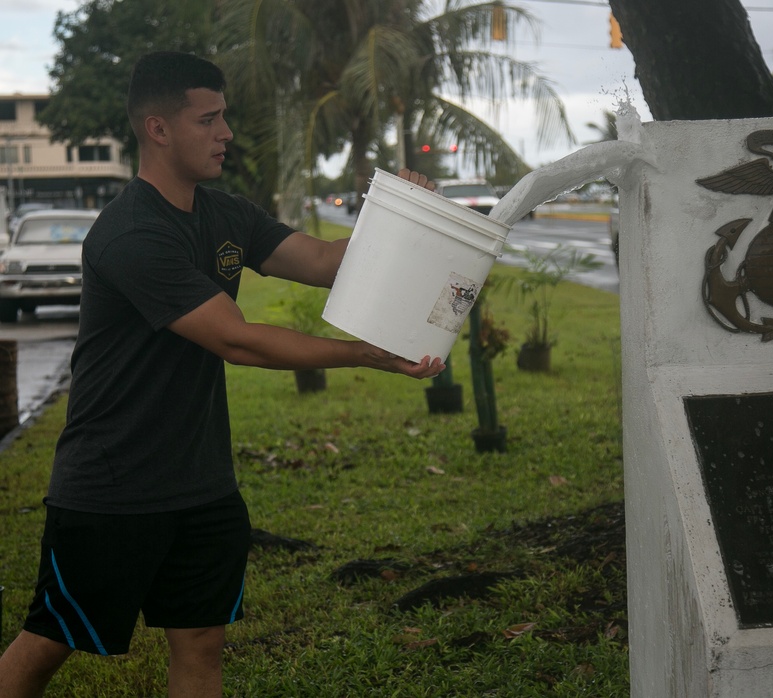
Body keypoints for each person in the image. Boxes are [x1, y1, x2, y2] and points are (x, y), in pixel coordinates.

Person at [0, 51, 444, 697]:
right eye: (208, 119)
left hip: (202, 484)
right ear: (158, 129)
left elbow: (325, 260)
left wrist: (402, 213)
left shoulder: (225, 213)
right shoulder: (129, 235)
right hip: (112, 486)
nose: (225, 133)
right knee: (50, 642)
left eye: (223, 117)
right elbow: (239, 341)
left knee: (203, 645)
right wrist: (369, 353)